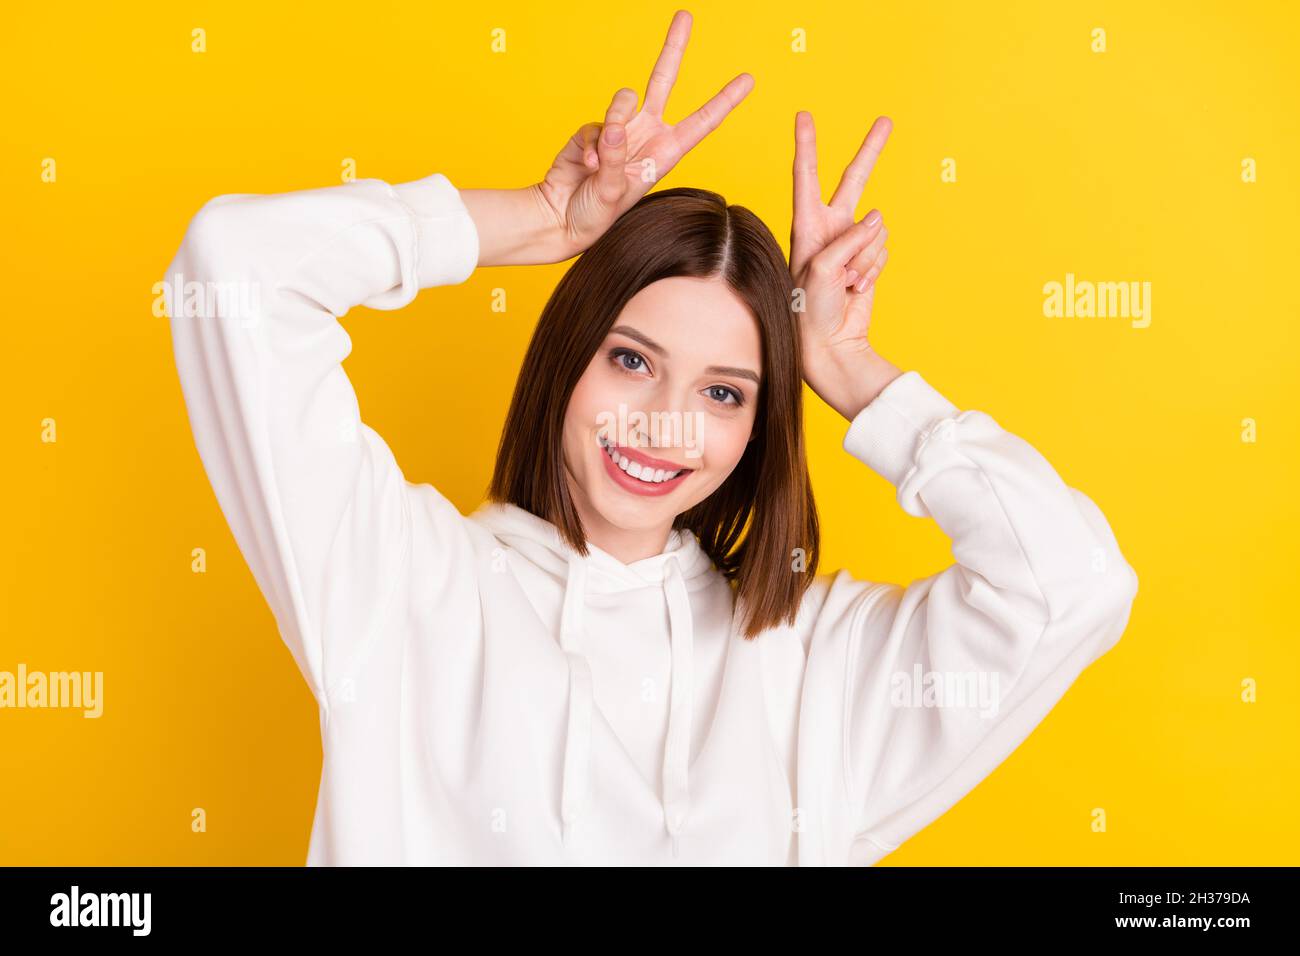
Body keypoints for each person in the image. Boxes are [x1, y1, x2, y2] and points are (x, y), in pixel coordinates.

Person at [162, 10, 1138, 865]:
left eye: (723, 389)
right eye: (632, 360)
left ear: (760, 425)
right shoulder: (400, 582)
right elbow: (234, 266)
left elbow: (1071, 583)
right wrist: (538, 221)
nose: (667, 419)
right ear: (568, 357)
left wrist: (845, 365)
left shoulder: (807, 664)